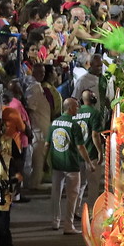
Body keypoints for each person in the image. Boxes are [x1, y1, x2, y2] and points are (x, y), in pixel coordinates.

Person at [46, 96, 88, 234]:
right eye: (76, 106)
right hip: (71, 165)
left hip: (57, 164)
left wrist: (45, 161)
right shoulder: (74, 125)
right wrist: (88, 162)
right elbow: (81, 147)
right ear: (70, 108)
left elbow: (47, 145)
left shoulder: (54, 123)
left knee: (55, 194)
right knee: (72, 196)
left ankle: (55, 221)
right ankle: (68, 225)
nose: (78, 108)